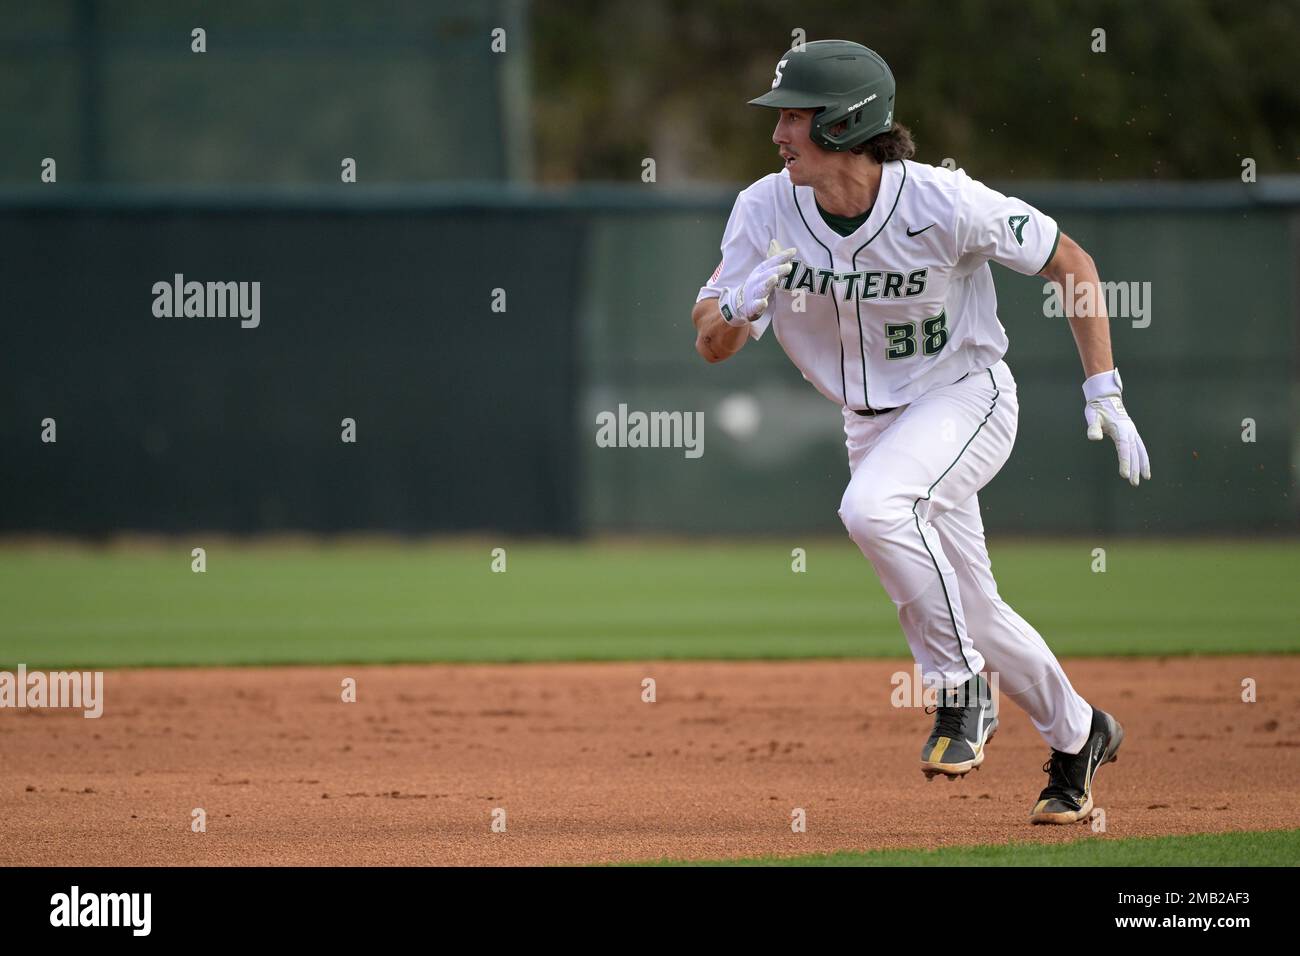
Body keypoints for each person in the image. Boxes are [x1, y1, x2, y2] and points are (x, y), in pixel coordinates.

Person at [692, 39, 1148, 824]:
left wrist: (1102, 384)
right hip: (871, 425)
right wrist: (733, 310)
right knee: (972, 605)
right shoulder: (763, 208)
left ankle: (960, 690)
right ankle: (1081, 734)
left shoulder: (945, 201)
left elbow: (1072, 261)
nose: (777, 136)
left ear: (843, 125)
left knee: (872, 509)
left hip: (965, 400)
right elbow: (708, 341)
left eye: (794, 118)